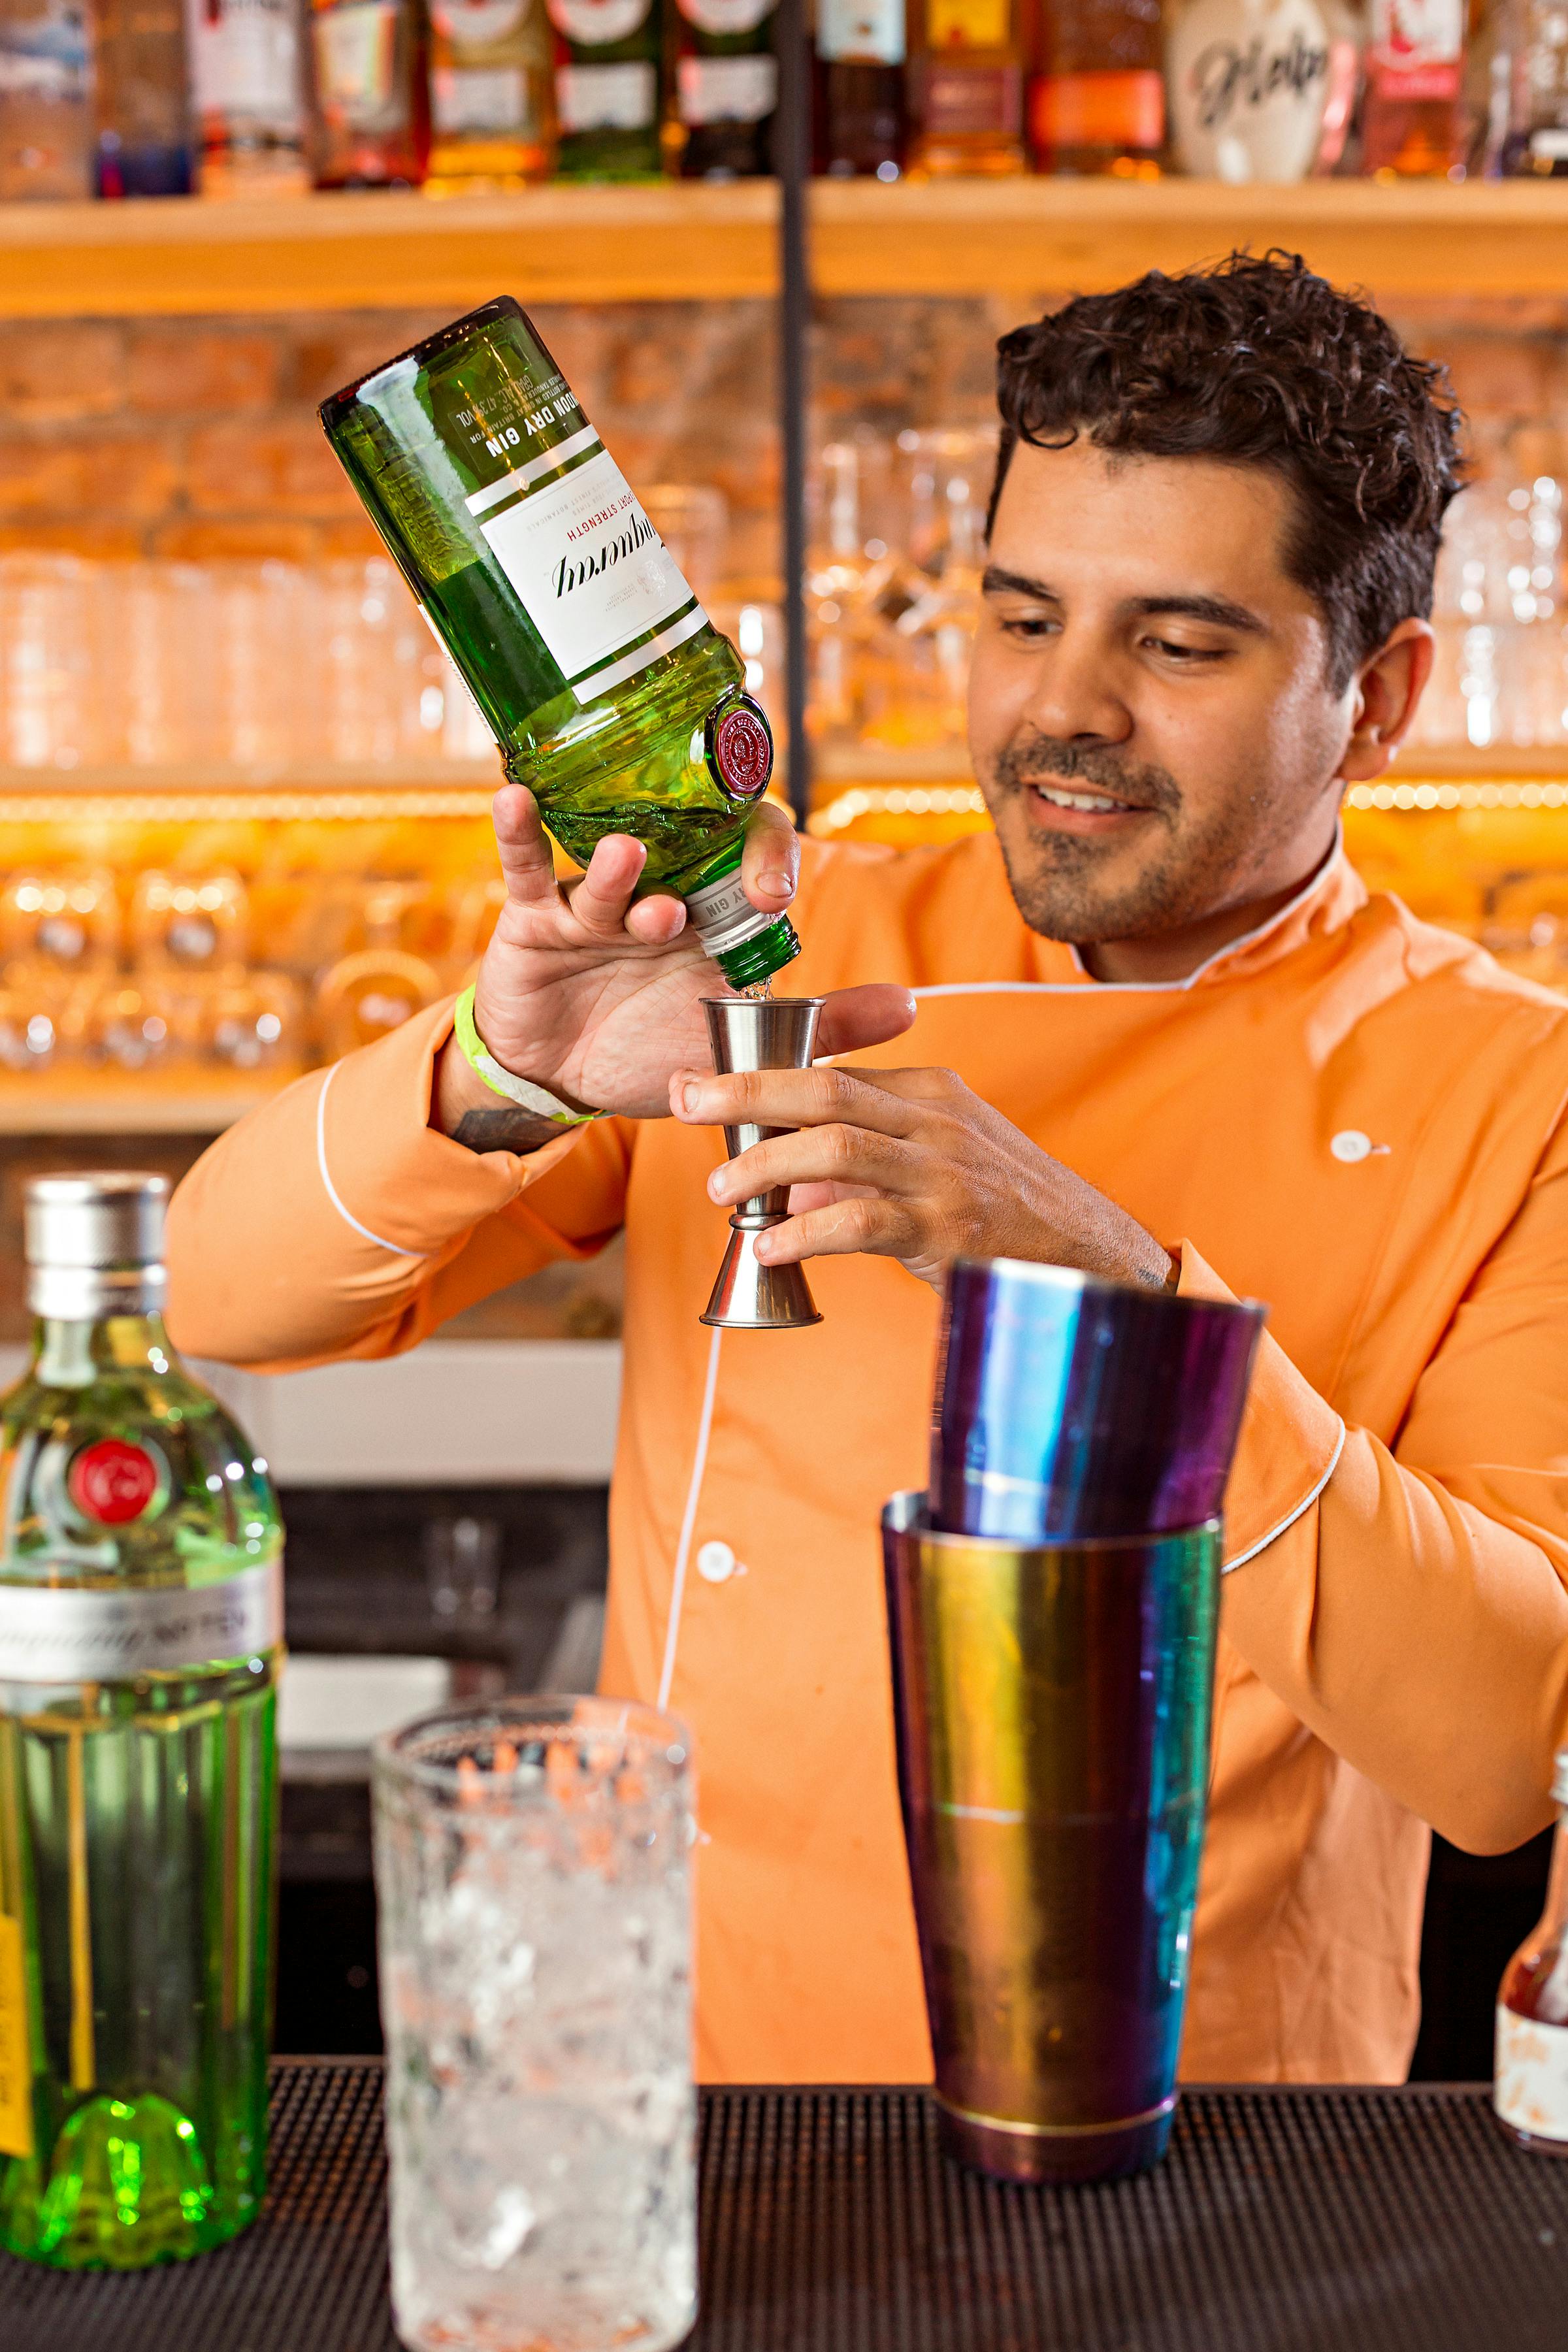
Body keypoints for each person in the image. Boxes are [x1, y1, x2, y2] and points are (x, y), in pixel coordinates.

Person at [167, 252, 1568, 2088]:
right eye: (1018, 616)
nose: (1062, 710)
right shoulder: (778, 934)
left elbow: (1498, 1755)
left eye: (1178, 641)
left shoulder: (1516, 1084)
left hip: (1192, 2144)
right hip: (675, 2087)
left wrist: (1125, 1305)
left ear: (1379, 700)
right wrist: (509, 1071)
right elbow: (221, 1299)